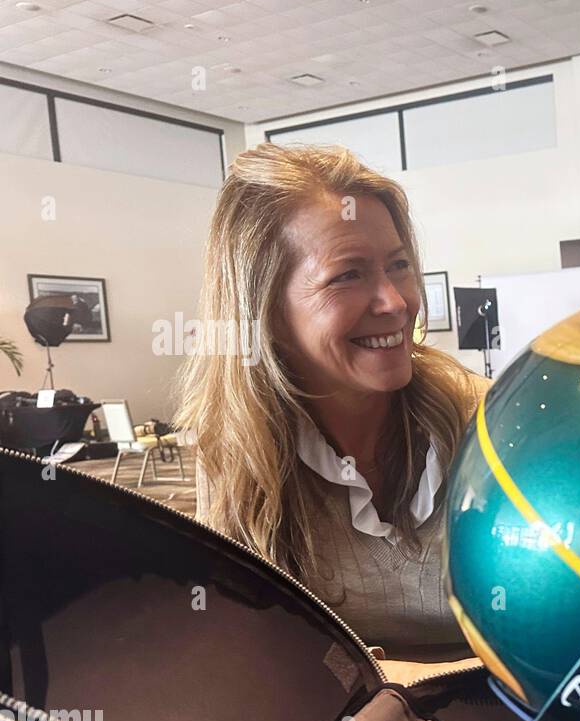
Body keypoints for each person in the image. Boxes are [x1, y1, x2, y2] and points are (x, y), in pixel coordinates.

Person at [178, 143, 488, 676]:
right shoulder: (235, 453)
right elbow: (250, 648)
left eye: (399, 265)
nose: (394, 302)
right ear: (264, 311)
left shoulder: (490, 421)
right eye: (348, 275)